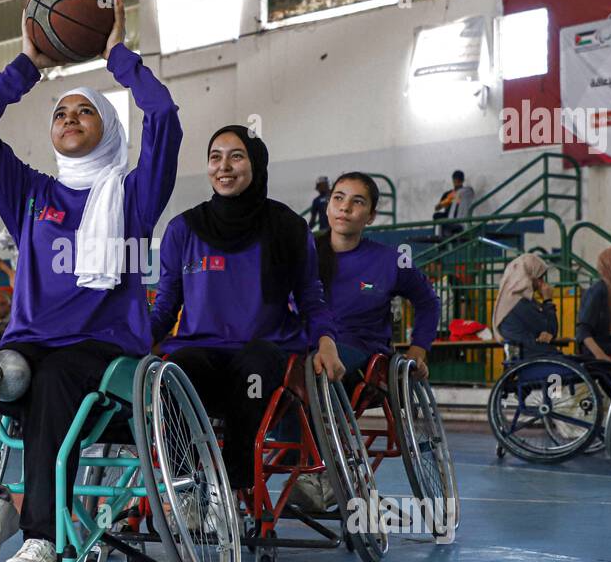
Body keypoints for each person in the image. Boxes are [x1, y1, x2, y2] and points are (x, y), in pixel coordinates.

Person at [0, 0, 180, 562]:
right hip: (31, 339)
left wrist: (118, 58)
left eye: (85, 112)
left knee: (52, 382)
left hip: (104, 349)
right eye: (60, 113)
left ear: (106, 128)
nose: (70, 118)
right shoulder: (30, 194)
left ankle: (44, 540)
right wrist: (27, 65)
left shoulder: (132, 195)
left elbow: (165, 118)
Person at [150, 126, 345, 492]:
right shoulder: (183, 230)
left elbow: (311, 298)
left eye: (236, 156)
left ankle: (233, 486)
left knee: (252, 369)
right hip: (203, 352)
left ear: (255, 163)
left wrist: (326, 341)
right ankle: (186, 490)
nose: (224, 166)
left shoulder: (287, 227)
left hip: (265, 354)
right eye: (215, 157)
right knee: (174, 373)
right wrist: (133, 340)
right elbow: (164, 307)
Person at [290, 172, 441, 513]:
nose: (345, 208)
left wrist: (419, 348)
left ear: (370, 215)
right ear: (327, 208)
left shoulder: (389, 260)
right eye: (338, 199)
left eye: (357, 202)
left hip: (362, 352)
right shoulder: (303, 254)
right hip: (304, 345)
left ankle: (328, 471)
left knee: (315, 372)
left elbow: (428, 301)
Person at [493, 252, 559, 358]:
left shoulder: (511, 300)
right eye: (540, 278)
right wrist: (548, 301)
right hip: (534, 360)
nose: (542, 283)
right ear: (528, 277)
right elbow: (551, 329)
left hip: (533, 356)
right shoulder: (519, 303)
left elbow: (548, 333)